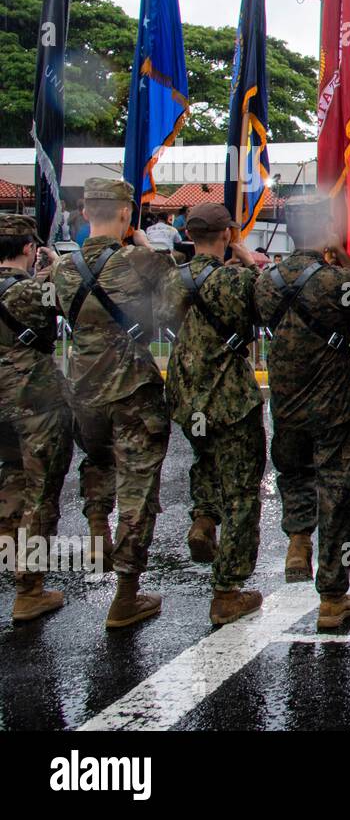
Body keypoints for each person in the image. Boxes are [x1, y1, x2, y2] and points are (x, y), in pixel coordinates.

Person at [49, 178, 175, 629]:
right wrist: (149, 247)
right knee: (138, 490)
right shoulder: (140, 260)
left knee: (98, 462)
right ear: (126, 214)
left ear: (85, 214)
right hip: (133, 390)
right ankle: (125, 594)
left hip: (83, 388)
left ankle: (97, 529)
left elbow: (62, 313)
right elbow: (170, 307)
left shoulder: (64, 268)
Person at [254, 195, 350, 631]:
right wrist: (341, 256)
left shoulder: (265, 283)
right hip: (334, 404)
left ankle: (298, 539)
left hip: (286, 401)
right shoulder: (339, 282)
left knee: (294, 471)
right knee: (338, 494)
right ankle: (332, 597)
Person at [160, 203, 267, 626]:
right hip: (228, 394)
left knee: (205, 460)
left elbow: (162, 319)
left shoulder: (172, 279)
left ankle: (203, 519)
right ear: (226, 234)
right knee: (241, 490)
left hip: (185, 392)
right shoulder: (236, 281)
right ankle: (227, 591)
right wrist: (245, 257)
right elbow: (269, 301)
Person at [0, 215, 73, 622]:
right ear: (30, 249)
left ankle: (9, 555)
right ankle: (29, 588)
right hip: (35, 404)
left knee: (10, 480)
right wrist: (56, 264)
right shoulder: (35, 290)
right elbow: (71, 296)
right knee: (40, 492)